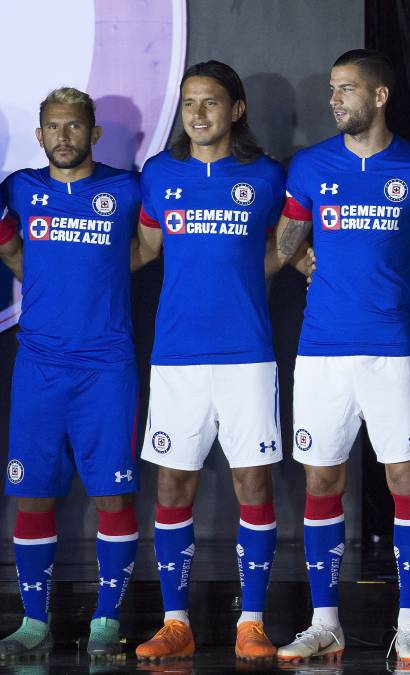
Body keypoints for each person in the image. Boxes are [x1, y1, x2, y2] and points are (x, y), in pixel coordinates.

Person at [272, 49, 410, 666]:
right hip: (323, 351)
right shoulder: (309, 166)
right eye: (331, 89)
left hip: (391, 351)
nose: (334, 100)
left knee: (406, 482)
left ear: (380, 96)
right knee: (322, 480)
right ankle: (325, 623)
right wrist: (312, 266)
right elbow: (285, 245)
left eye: (346, 89)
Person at [131, 61, 295, 662]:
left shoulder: (267, 175)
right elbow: (147, 246)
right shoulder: (159, 174)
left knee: (253, 482)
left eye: (209, 103)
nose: (197, 115)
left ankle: (251, 621)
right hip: (176, 357)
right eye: (189, 104)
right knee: (173, 485)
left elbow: (289, 242)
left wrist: (265, 273)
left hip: (247, 356)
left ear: (236, 109)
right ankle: (176, 621)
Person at [0, 87, 142, 659]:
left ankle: (106, 619)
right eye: (53, 127)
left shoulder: (126, 189)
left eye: (75, 126)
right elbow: (11, 247)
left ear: (93, 133)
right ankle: (34, 622)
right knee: (31, 495)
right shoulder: (20, 190)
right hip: (39, 365)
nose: (64, 136)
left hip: (106, 365)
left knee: (113, 495)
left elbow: (150, 248)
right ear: (39, 136)